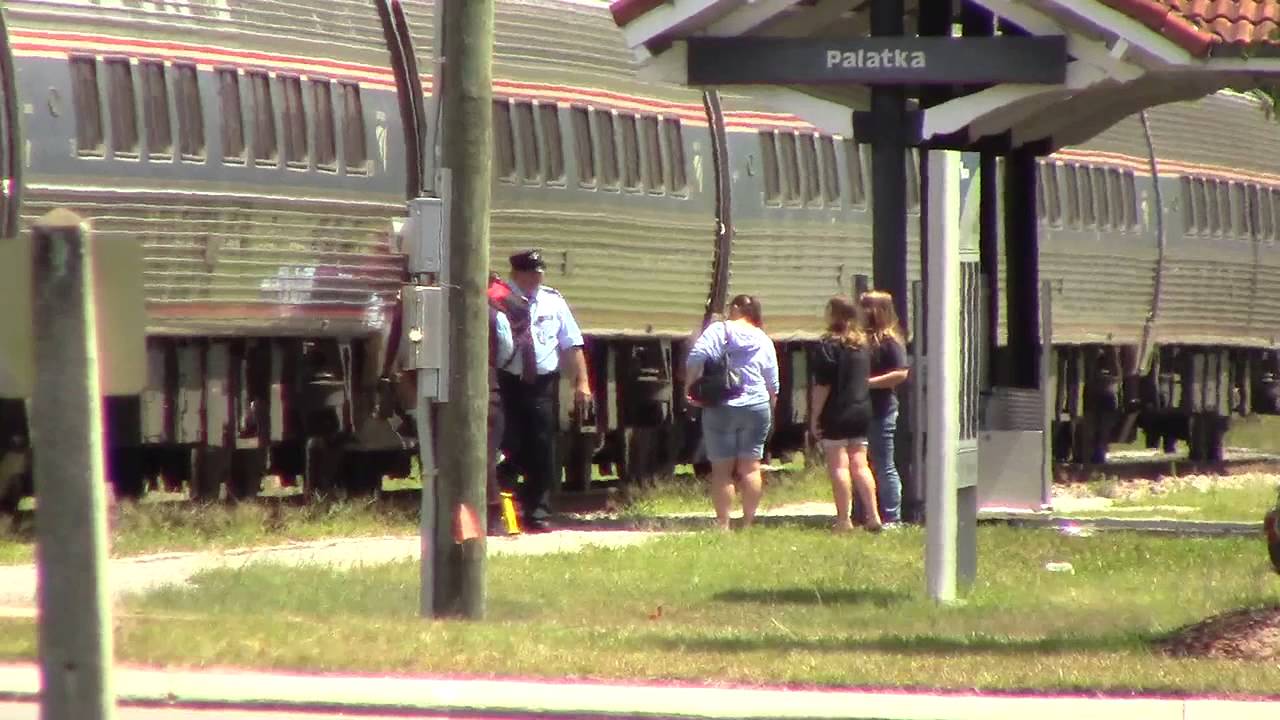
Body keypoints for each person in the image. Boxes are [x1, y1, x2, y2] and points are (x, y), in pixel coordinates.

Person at [495, 249, 591, 532]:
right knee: (508, 444)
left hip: (542, 383)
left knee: (542, 446)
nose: (537, 278)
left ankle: (538, 511)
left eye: (540, 273)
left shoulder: (553, 301)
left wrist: (582, 383)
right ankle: (503, 507)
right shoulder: (498, 300)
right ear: (516, 273)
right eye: (531, 273)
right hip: (506, 381)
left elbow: (571, 344)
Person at [685, 295, 779, 531]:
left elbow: (696, 356)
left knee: (722, 471)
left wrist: (691, 388)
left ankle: (723, 524)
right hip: (756, 406)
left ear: (737, 308)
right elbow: (773, 382)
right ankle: (747, 523)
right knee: (751, 467)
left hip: (721, 405)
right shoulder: (763, 338)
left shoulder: (719, 331)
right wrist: (771, 407)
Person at [809, 296, 882, 533]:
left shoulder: (828, 345)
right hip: (860, 409)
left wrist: (814, 416)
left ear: (835, 315)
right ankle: (873, 516)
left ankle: (843, 520)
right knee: (861, 464)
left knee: (839, 466)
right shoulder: (862, 345)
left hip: (836, 411)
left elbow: (823, 385)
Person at [860, 290, 909, 526]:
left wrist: (869, 383)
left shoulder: (890, 341)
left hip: (882, 411)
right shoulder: (860, 338)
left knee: (883, 464)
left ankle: (892, 517)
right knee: (860, 464)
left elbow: (901, 373)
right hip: (858, 411)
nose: (862, 312)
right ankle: (863, 513)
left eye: (867, 306)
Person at [486, 274, 517, 534]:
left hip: (449, 392)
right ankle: (494, 519)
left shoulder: (443, 311)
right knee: (486, 458)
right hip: (490, 389)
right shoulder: (496, 315)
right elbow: (506, 351)